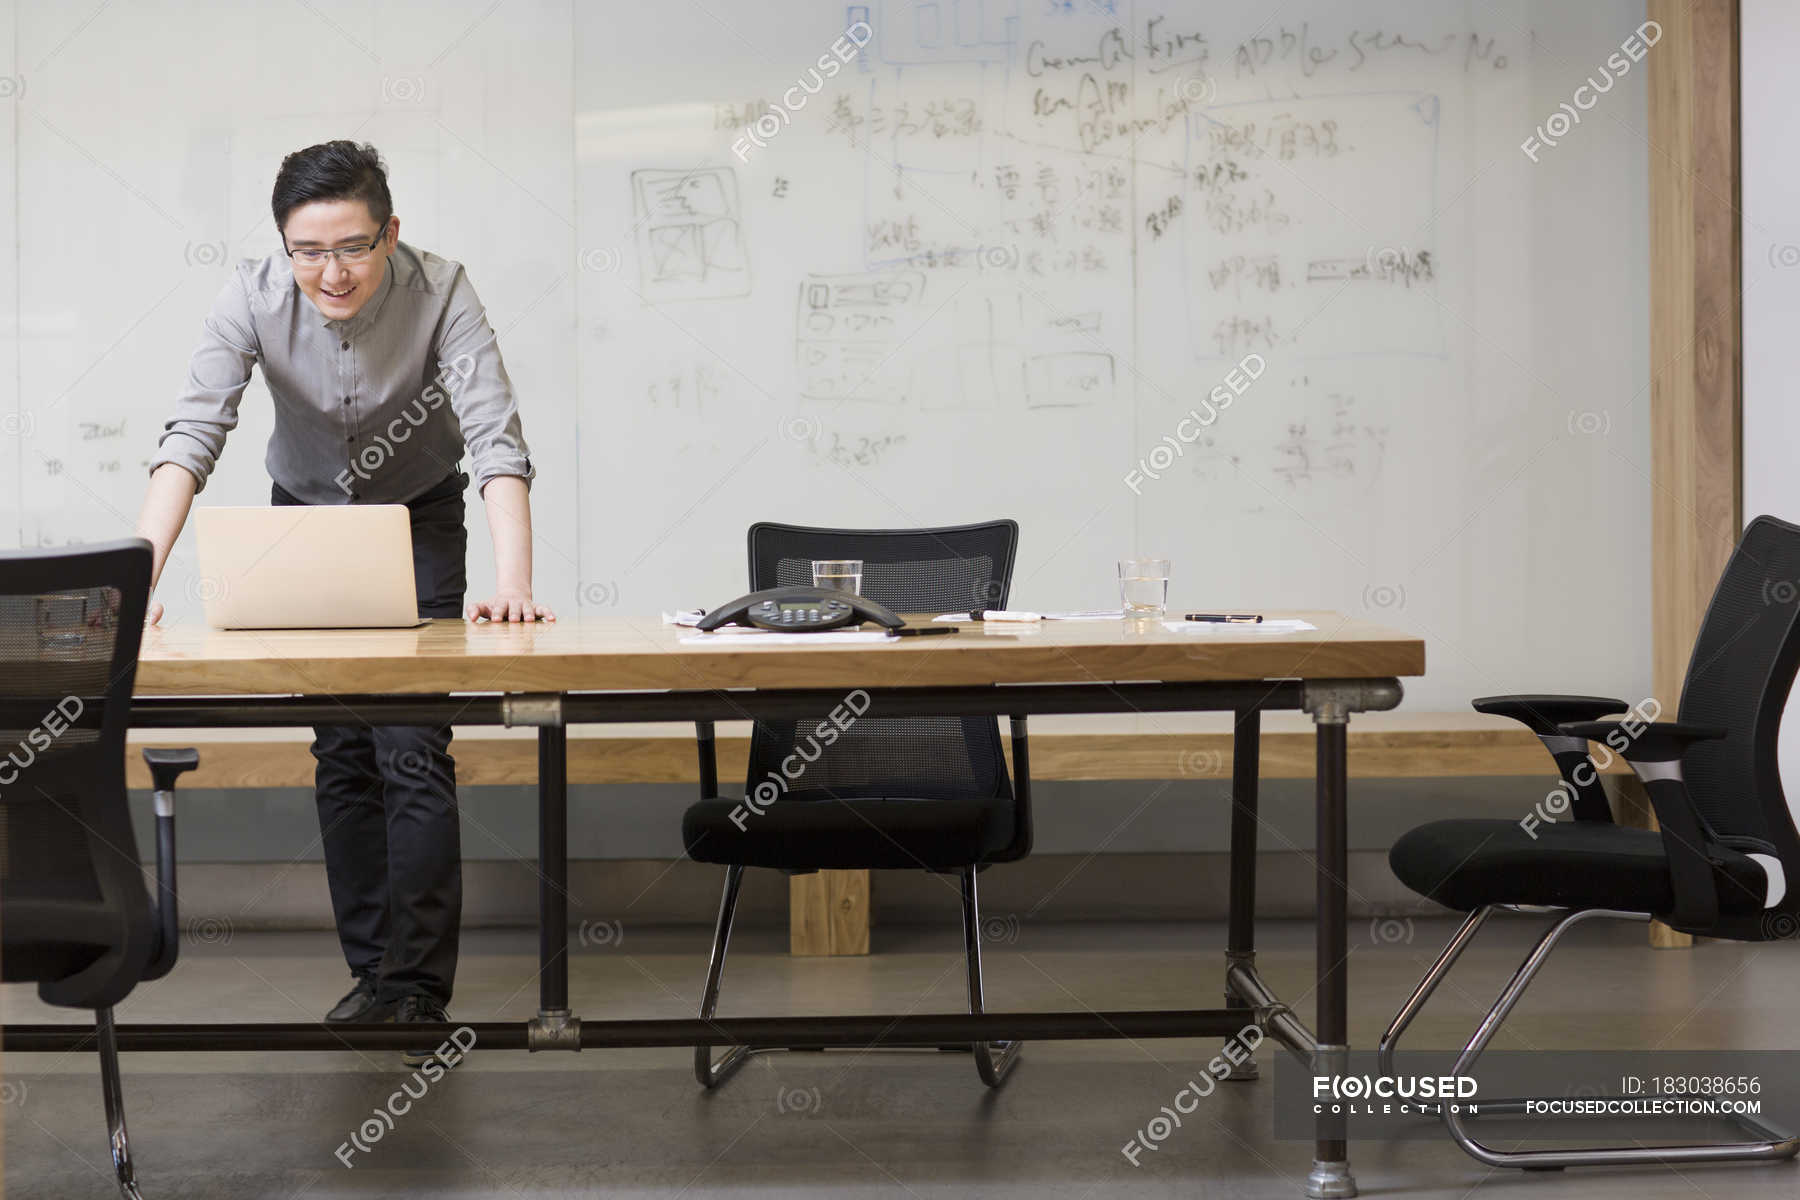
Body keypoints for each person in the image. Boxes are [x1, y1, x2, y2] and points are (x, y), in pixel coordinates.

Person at [133, 140, 552, 1062]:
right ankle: (372, 976)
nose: (331, 273)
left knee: (410, 746)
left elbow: (495, 438)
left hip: (421, 516)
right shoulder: (250, 292)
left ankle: (418, 990)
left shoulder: (443, 288)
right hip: (308, 518)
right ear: (283, 244)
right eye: (307, 251)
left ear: (391, 232)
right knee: (342, 749)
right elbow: (192, 433)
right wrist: (139, 587)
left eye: (352, 248)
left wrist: (512, 585)